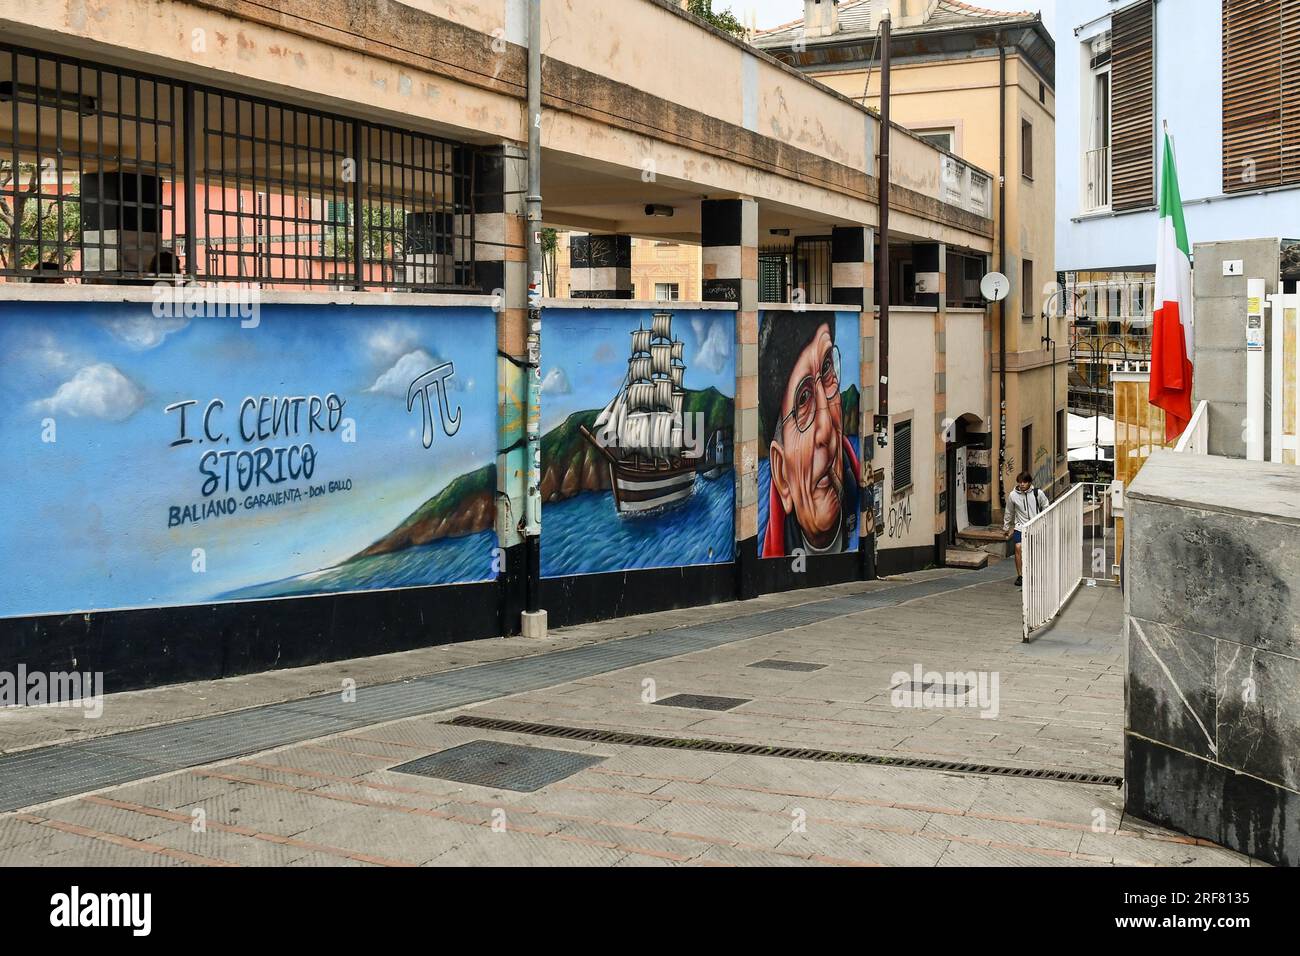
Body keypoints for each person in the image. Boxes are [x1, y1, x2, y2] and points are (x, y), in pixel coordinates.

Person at [759, 314, 860, 557]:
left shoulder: (861, 510)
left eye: (827, 369)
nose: (826, 430)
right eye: (802, 399)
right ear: (781, 472)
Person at [1003, 471, 1049, 587]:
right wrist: (1006, 527)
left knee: (1036, 551)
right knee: (1018, 547)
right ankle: (1020, 576)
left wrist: (1044, 521)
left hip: (1036, 526)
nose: (1022, 484)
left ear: (1029, 482)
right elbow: (1009, 511)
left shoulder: (1038, 493)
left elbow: (1046, 507)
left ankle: (1037, 574)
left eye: (1024, 482)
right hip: (1020, 527)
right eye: (1020, 482)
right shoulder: (1013, 495)